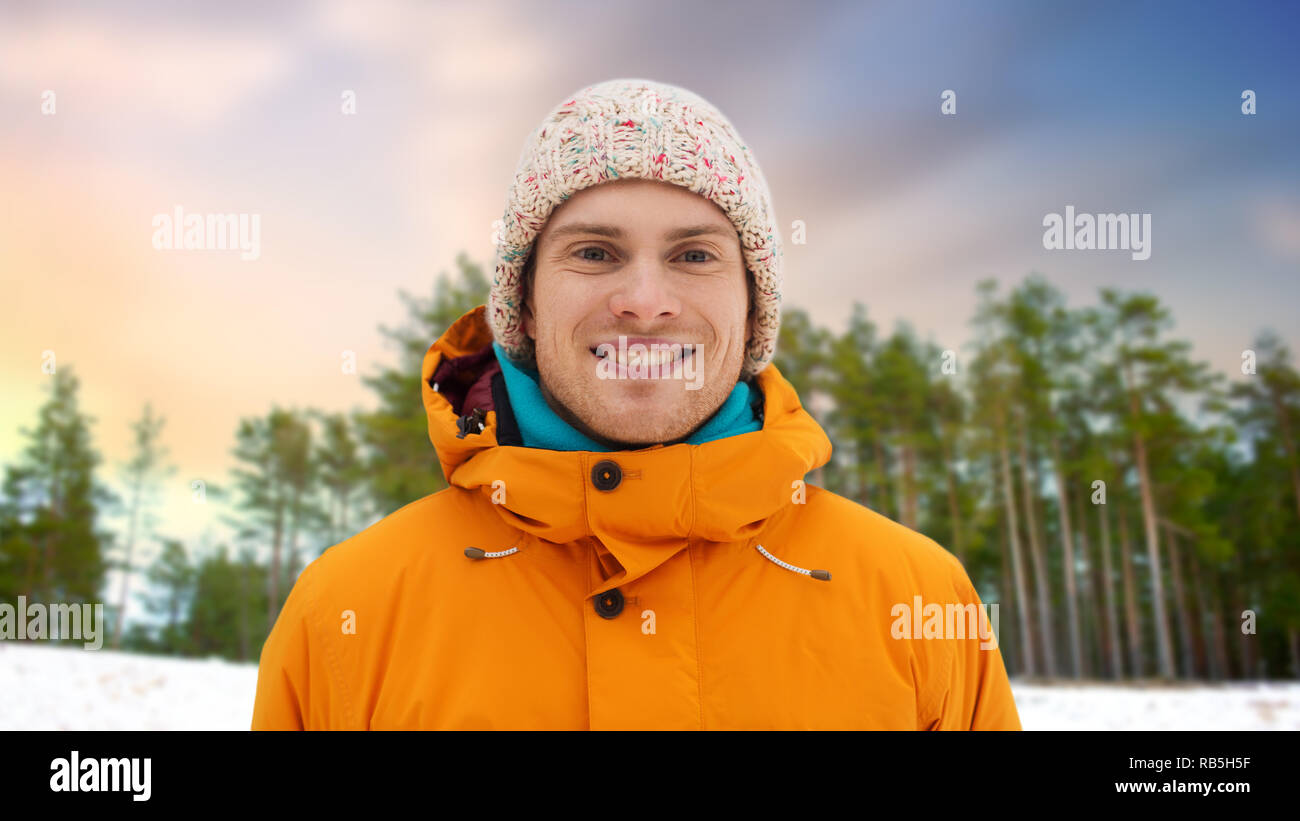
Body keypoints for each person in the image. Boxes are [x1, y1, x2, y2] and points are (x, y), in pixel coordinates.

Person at [251, 78, 1021, 730]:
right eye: (594, 252)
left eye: (694, 255)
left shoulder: (918, 599)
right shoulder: (347, 611)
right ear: (520, 301)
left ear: (755, 309)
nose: (645, 302)